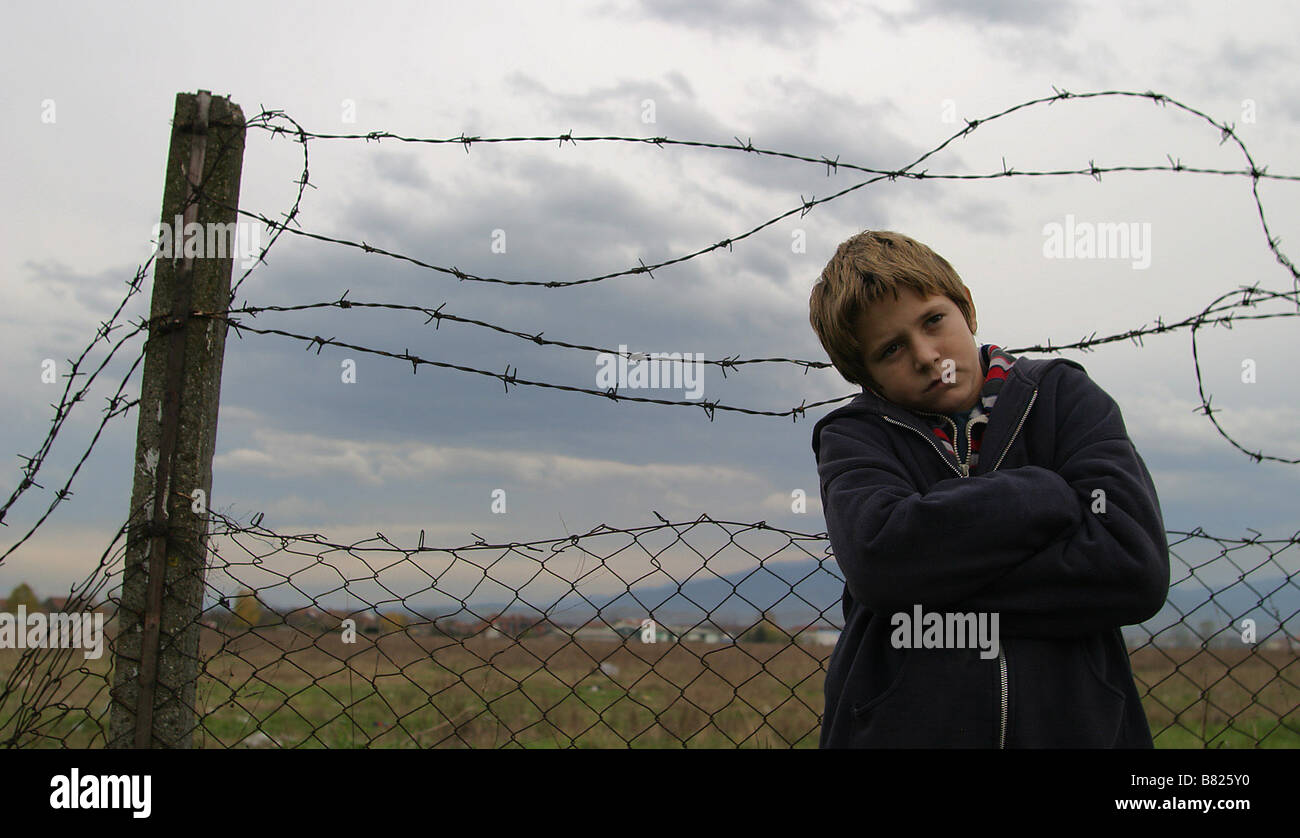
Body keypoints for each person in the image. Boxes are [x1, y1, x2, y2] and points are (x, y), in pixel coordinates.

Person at [807, 230, 1169, 747]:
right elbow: (880, 560)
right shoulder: (855, 436)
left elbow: (1134, 565)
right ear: (865, 376)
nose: (930, 356)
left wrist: (929, 582)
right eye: (891, 349)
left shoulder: (1063, 398)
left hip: (1074, 727)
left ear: (966, 308)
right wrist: (1040, 493)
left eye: (934, 320)